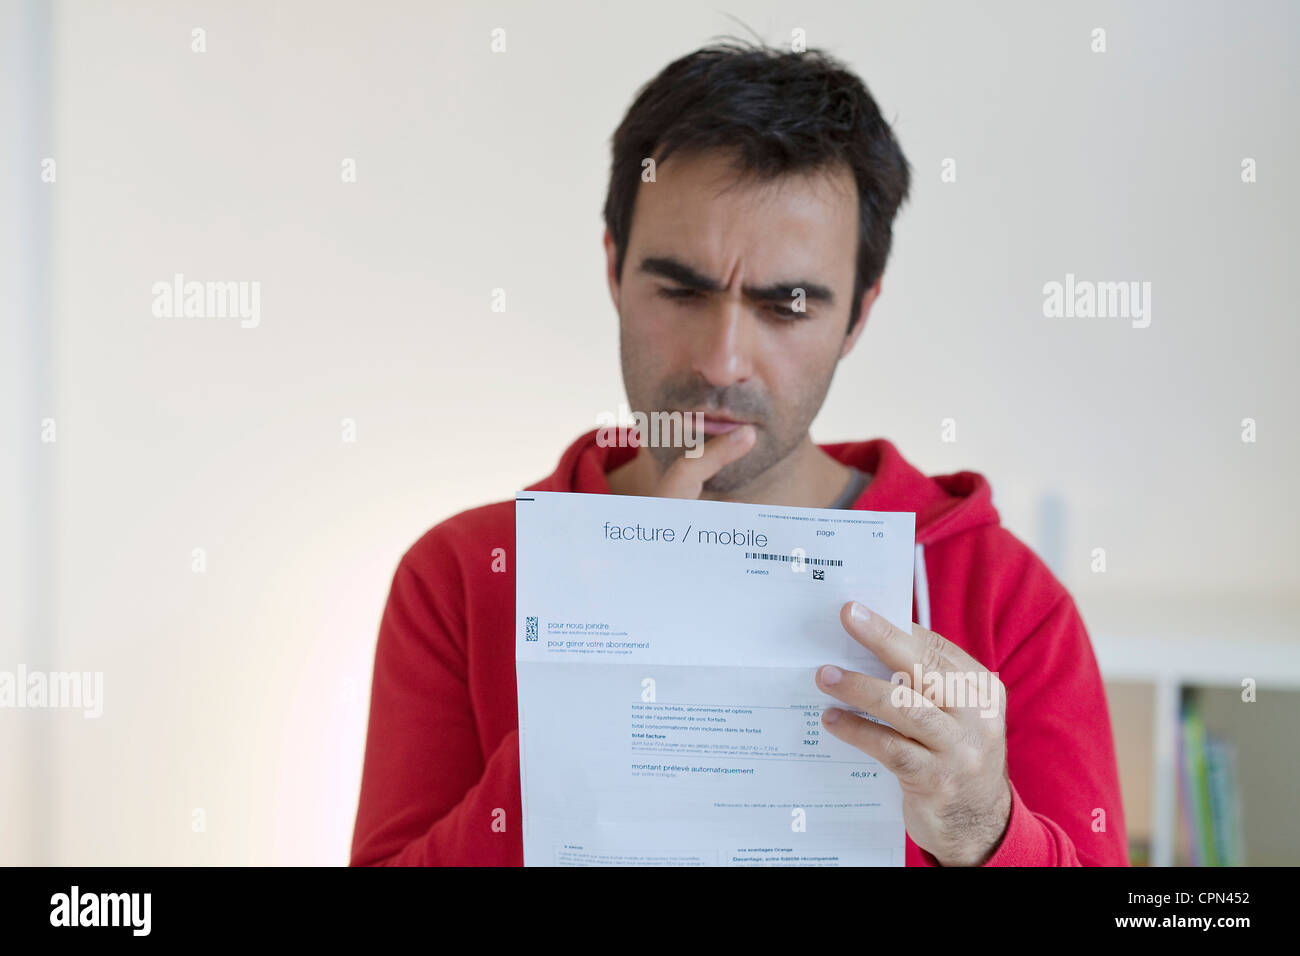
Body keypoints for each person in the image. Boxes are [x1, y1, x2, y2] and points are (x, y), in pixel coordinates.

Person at [349, 39, 1128, 867]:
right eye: (680, 290)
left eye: (786, 307)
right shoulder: (466, 576)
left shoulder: (1006, 601)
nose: (721, 362)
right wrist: (593, 678)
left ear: (858, 315)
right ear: (614, 269)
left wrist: (985, 831)